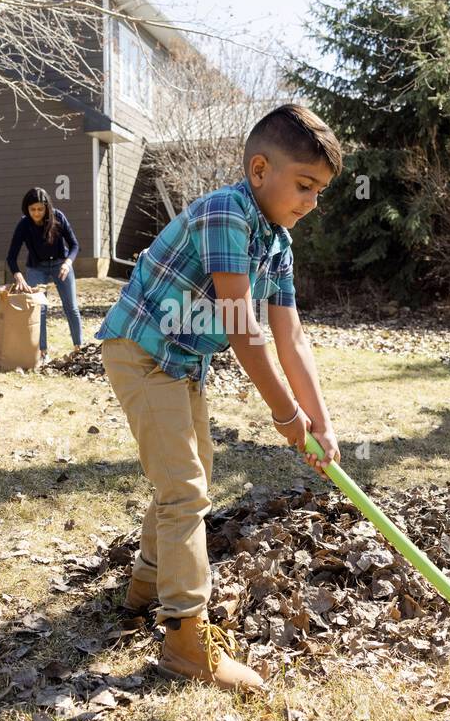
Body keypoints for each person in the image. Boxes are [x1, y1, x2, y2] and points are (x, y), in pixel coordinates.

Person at [96, 104, 343, 691]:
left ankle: (146, 586)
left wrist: (320, 423)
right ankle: (185, 640)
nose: (311, 202)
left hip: (182, 358)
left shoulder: (277, 242)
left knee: (193, 472)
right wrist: (286, 415)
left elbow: (291, 336)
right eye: (304, 185)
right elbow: (243, 328)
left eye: (320, 191)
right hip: (141, 348)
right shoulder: (226, 214)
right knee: (185, 487)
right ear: (260, 169)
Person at [6, 187, 82, 360]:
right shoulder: (24, 224)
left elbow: (75, 245)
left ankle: (79, 349)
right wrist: (18, 275)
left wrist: (68, 263)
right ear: (27, 209)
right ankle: (42, 353)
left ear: (47, 207)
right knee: (39, 310)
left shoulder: (58, 217)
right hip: (36, 267)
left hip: (61, 265)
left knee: (71, 307)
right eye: (32, 209)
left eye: (40, 209)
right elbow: (11, 257)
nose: (36, 213)